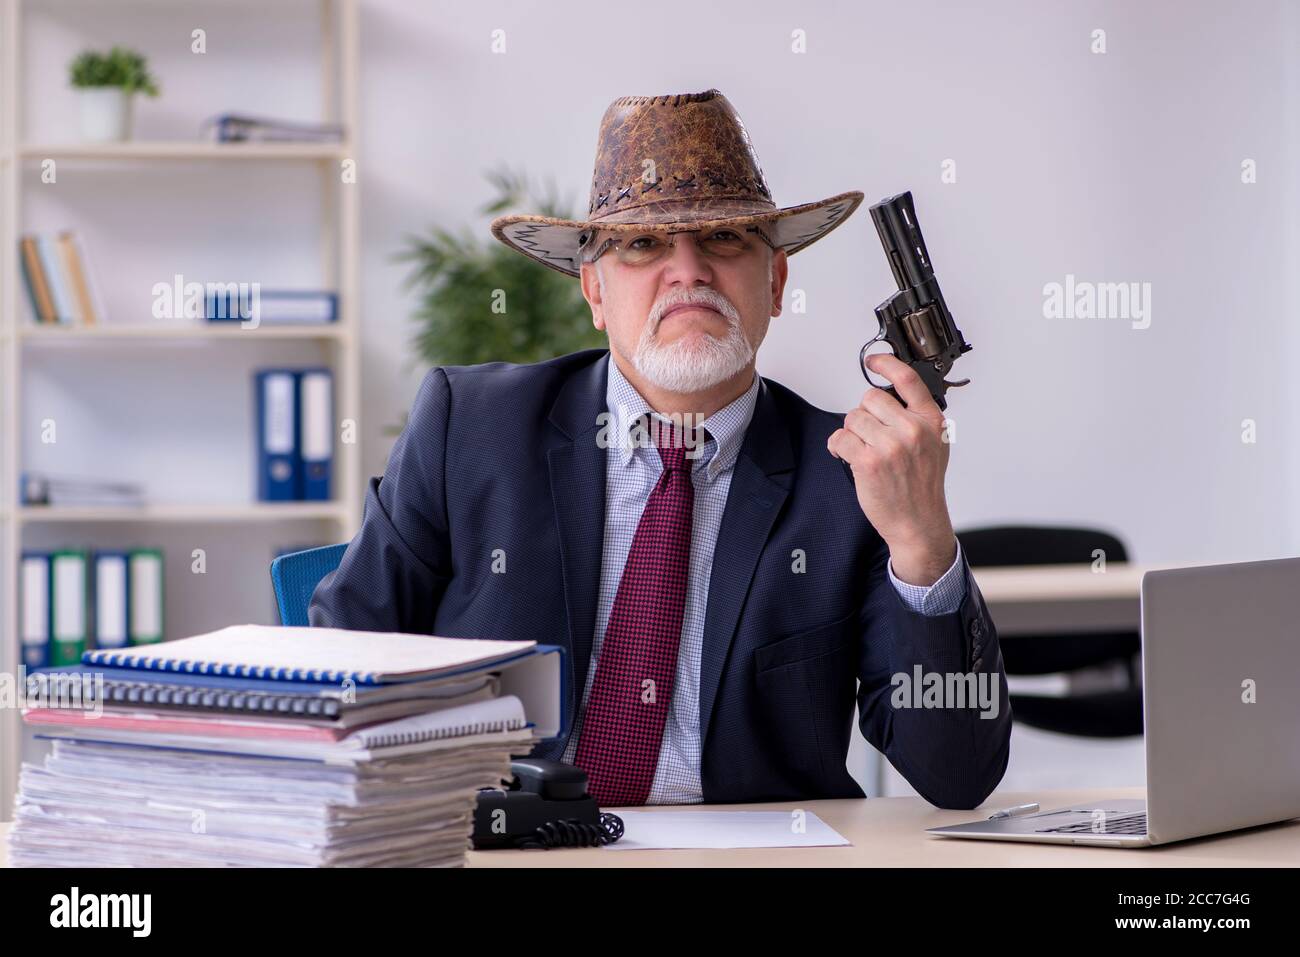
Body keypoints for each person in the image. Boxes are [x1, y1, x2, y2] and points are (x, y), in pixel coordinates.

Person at [311, 89, 1010, 808]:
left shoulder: (851, 476)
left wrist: (924, 540)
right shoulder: (470, 428)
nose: (689, 270)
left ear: (774, 282)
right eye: (643, 244)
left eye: (725, 238)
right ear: (594, 291)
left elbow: (957, 774)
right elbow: (340, 667)